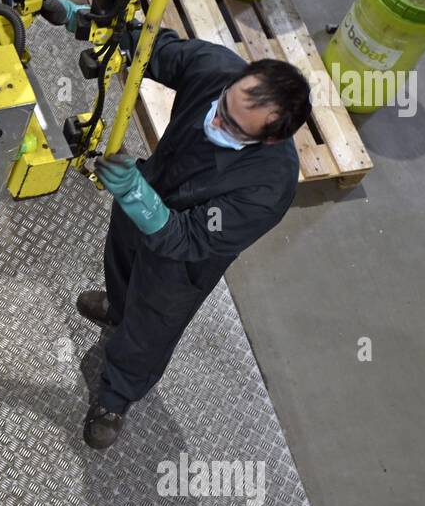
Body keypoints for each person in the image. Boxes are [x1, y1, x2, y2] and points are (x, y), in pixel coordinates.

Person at [78, 24, 312, 449]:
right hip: (146, 195)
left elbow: (184, 238)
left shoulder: (267, 190)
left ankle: (115, 397)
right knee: (120, 261)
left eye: (235, 127)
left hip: (182, 261)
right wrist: (86, 19)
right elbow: (152, 46)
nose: (216, 121)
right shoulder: (217, 68)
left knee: (150, 328)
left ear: (270, 138)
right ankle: (116, 308)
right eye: (222, 107)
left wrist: (134, 193)